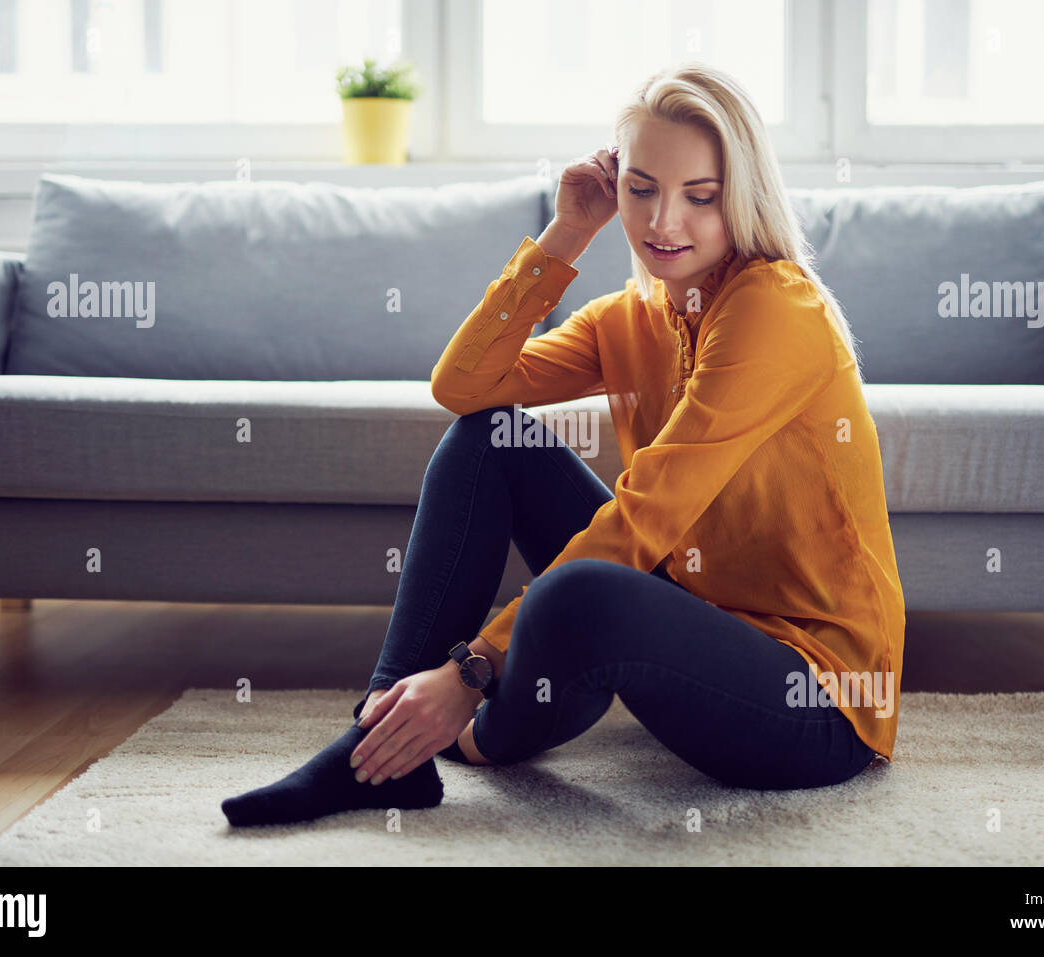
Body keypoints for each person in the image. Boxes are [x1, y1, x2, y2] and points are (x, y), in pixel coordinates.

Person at [221, 61, 905, 828]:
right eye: (641, 189)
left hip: (814, 699)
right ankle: (379, 733)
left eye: (700, 198)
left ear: (741, 197)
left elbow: (649, 515)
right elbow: (465, 387)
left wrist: (469, 668)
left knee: (580, 592)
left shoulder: (776, 308)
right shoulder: (632, 315)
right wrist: (570, 229)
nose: (662, 223)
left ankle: (464, 728)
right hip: (699, 617)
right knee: (489, 441)